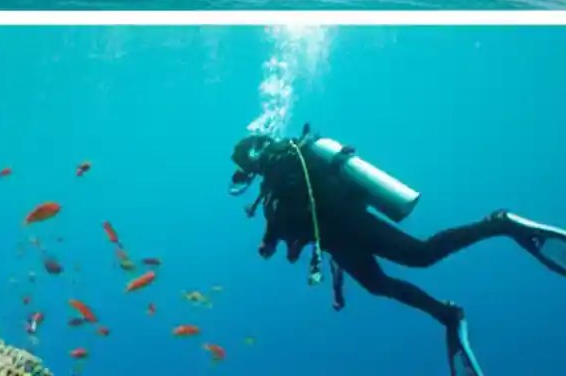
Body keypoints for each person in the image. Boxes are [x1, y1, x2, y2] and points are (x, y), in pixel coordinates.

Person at [229, 124, 566, 376]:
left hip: (350, 228)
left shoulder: (284, 165)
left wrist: (275, 245)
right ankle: (447, 314)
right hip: (341, 242)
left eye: (244, 162)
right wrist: (282, 248)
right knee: (383, 283)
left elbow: (293, 225)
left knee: (421, 255)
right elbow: (290, 231)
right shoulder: (274, 187)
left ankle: (500, 224)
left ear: (253, 157)